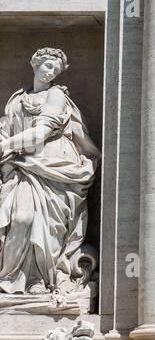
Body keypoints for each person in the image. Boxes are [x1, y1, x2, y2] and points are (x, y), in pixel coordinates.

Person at [0, 48, 99, 297]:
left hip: (54, 169)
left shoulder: (56, 96)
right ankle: (11, 279)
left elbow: (39, 135)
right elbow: (7, 128)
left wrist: (3, 146)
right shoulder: (17, 99)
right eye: (47, 66)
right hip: (22, 167)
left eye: (56, 69)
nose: (51, 72)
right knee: (20, 219)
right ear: (34, 64)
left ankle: (39, 280)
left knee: (44, 225)